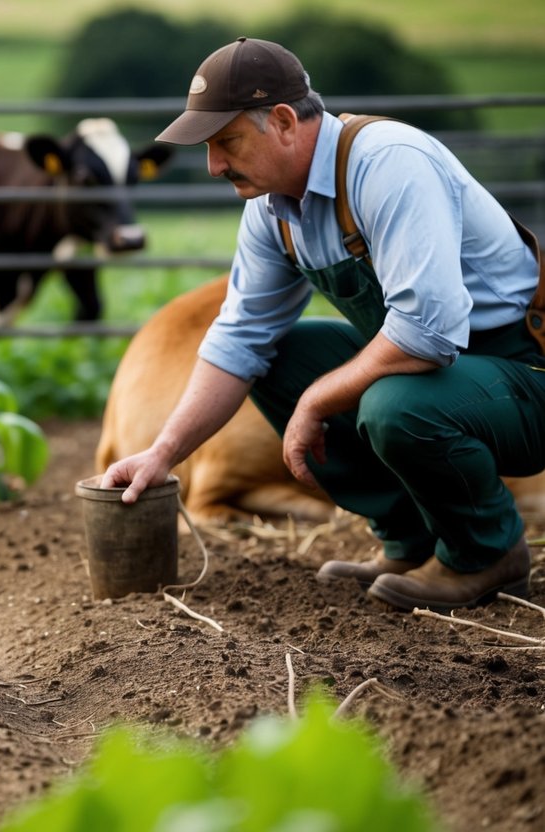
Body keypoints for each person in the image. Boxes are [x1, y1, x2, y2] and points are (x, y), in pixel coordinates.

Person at [102, 37, 545, 612]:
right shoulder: (271, 211)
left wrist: (316, 402)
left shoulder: (388, 165)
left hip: (524, 373)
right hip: (447, 374)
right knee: (276, 358)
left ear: (283, 121)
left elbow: (429, 332)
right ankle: (410, 542)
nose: (214, 166)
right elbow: (238, 340)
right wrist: (162, 454)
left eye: (225, 142)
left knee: (395, 405)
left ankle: (487, 554)